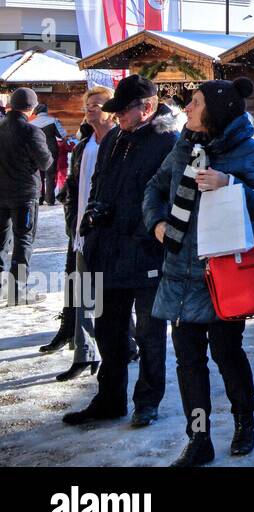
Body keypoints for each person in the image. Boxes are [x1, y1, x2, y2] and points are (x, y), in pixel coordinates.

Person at [145, 77, 254, 466]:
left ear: (216, 112)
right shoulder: (182, 147)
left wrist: (229, 183)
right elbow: (153, 190)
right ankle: (198, 437)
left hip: (223, 275)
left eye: (196, 102)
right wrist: (156, 223)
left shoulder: (249, 150)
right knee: (188, 361)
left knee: (226, 352)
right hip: (178, 272)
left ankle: (244, 420)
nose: (187, 108)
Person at [63, 75, 178, 428]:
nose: (117, 118)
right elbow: (100, 182)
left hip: (146, 254)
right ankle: (109, 399)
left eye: (122, 112)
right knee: (109, 332)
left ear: (146, 108)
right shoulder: (115, 137)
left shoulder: (167, 142)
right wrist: (92, 214)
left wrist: (144, 229)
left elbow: (167, 199)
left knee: (149, 334)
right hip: (107, 251)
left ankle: (147, 401)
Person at [43, 86, 114, 379]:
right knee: (83, 293)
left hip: (110, 235)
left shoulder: (119, 144)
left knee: (110, 301)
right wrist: (75, 221)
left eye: (97, 104)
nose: (90, 108)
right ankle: (84, 355)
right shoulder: (84, 146)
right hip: (83, 232)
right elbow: (74, 188)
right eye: (88, 104)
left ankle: (124, 347)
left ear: (111, 110)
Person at [0, 87, 53, 305]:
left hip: (0, 193)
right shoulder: (31, 132)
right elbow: (46, 162)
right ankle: (17, 290)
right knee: (23, 240)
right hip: (24, 195)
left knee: (1, 241)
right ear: (31, 108)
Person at [31, 103, 66, 205]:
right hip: (51, 150)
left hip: (36, 151)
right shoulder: (53, 121)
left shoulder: (32, 124)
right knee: (50, 175)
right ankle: (50, 199)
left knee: (39, 175)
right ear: (46, 111)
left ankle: (40, 199)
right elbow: (62, 134)